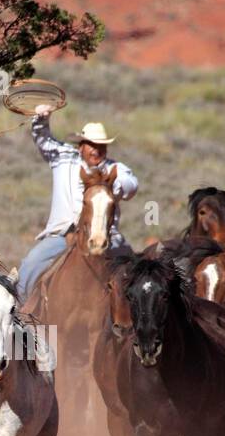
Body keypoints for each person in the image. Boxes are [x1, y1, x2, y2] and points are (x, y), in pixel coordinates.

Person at [17, 105, 139, 299]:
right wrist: (41, 119)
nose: (96, 150)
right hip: (62, 234)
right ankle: (23, 313)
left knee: (135, 274)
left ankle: (133, 324)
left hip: (107, 237)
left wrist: (110, 183)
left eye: (101, 146)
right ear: (81, 146)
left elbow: (131, 186)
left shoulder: (115, 168)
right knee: (29, 266)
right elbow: (44, 140)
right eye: (92, 145)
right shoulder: (64, 158)